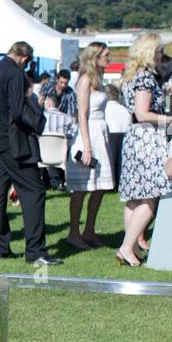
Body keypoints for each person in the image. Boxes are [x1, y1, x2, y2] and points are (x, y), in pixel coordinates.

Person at [0, 40, 61, 263]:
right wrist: (35, 118)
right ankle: (36, 251)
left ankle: (0, 247)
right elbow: (16, 110)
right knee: (34, 191)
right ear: (25, 58)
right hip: (13, 141)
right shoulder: (14, 74)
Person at [115, 33, 172, 266]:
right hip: (147, 140)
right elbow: (143, 113)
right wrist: (171, 120)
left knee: (134, 198)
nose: (161, 56)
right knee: (150, 197)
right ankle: (127, 247)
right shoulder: (146, 78)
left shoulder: (132, 76)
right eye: (159, 51)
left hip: (135, 138)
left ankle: (131, 247)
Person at [65, 41, 114, 249]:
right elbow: (82, 114)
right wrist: (87, 147)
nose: (109, 59)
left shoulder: (98, 79)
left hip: (100, 133)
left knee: (100, 187)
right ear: (95, 57)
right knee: (81, 188)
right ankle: (74, 232)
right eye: (106, 55)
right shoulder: (85, 80)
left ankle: (89, 230)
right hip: (88, 134)